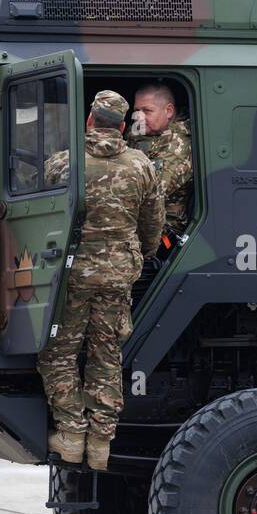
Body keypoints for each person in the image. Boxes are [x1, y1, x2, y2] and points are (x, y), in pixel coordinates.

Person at [38, 89, 164, 470]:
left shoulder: (63, 163)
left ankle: (72, 435)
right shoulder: (142, 166)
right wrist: (139, 254)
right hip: (118, 275)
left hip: (71, 275)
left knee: (59, 353)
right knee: (106, 355)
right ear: (122, 126)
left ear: (90, 120)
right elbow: (152, 227)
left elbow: (41, 217)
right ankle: (101, 445)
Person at [130, 82, 192, 236]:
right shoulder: (144, 132)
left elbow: (149, 194)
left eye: (147, 110)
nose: (139, 116)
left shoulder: (178, 144)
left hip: (162, 232)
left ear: (169, 111)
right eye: (137, 110)